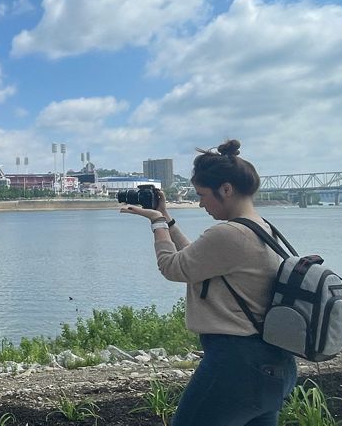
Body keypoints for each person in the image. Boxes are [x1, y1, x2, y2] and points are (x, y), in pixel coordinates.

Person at [119, 139, 297, 426]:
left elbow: (173, 267)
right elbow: (197, 262)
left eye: (202, 195)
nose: (201, 203)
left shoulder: (229, 234)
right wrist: (167, 219)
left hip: (235, 365)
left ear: (226, 189)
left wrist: (157, 224)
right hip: (275, 365)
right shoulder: (263, 229)